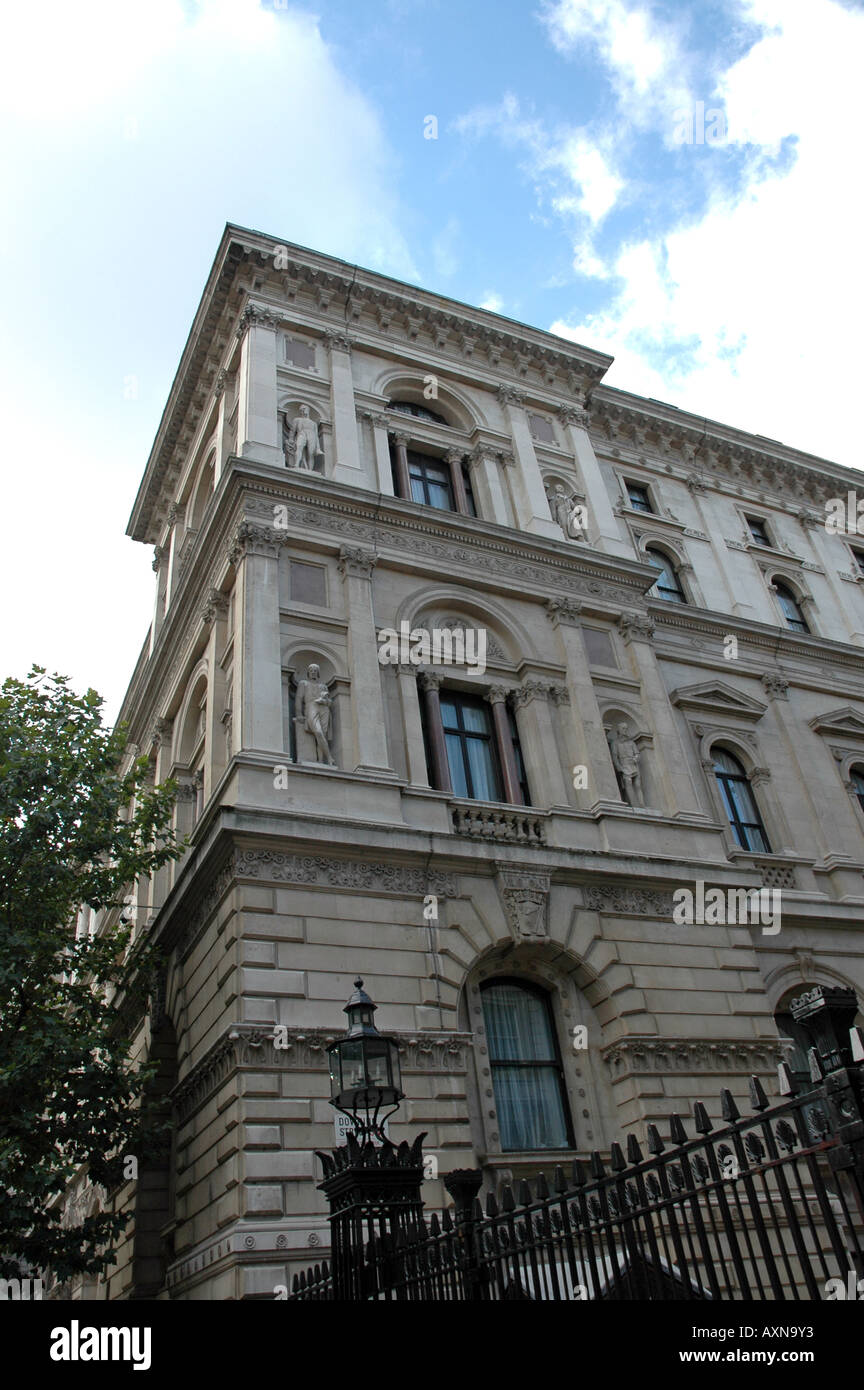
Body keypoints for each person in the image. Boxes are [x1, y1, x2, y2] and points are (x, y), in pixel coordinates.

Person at [297, 663, 336, 766]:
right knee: (318, 732)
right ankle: (329, 757)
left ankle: (321, 760)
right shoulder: (303, 683)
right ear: (308, 673)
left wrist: (325, 701)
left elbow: (329, 702)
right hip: (311, 707)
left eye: (315, 670)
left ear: (318, 673)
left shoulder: (323, 686)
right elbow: (298, 699)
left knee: (323, 734)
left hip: (324, 709)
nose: (313, 672)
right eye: (311, 670)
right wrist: (299, 713)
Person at [608, 722, 644, 806]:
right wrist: (618, 767)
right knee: (628, 783)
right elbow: (614, 756)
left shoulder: (631, 743)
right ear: (619, 730)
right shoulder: (615, 743)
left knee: (638, 785)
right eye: (623, 728)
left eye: (626, 728)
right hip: (624, 765)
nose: (625, 730)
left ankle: (642, 804)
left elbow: (637, 753)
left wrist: (635, 758)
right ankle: (634, 804)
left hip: (633, 764)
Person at [287, 405, 320, 470]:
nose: (303, 410)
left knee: (311, 454)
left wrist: (318, 447)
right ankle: (296, 464)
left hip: (312, 436)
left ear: (308, 410)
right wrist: (291, 438)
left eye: (304, 408)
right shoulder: (297, 420)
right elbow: (292, 430)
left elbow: (316, 436)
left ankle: (310, 470)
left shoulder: (314, 423)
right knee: (299, 447)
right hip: (301, 433)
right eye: (302, 409)